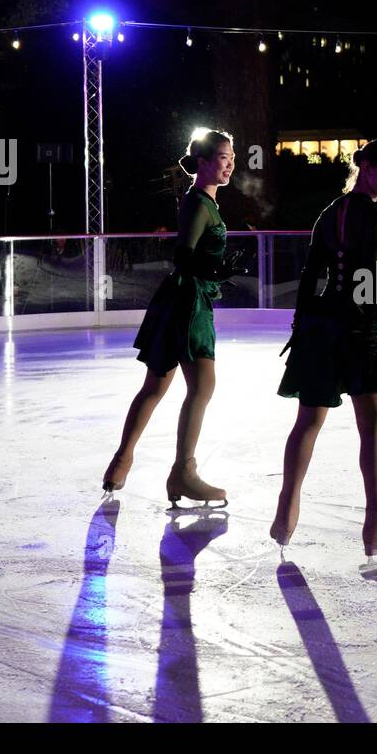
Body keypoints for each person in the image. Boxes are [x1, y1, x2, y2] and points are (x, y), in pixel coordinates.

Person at [271, 140, 377, 559]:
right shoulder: (375, 213)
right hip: (360, 327)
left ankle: (286, 510)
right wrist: (371, 331)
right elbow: (371, 276)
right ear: (366, 167)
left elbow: (310, 274)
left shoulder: (330, 213)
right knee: (372, 428)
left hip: (321, 326)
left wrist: (301, 327)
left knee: (308, 421)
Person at [101, 129, 243, 505]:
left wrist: (215, 269)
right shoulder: (199, 203)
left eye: (231, 157)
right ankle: (184, 472)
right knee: (201, 385)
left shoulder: (203, 201)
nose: (230, 164)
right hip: (189, 300)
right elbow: (184, 256)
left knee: (157, 385)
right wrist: (215, 271)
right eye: (223, 157)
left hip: (180, 297)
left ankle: (122, 460)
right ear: (203, 162)